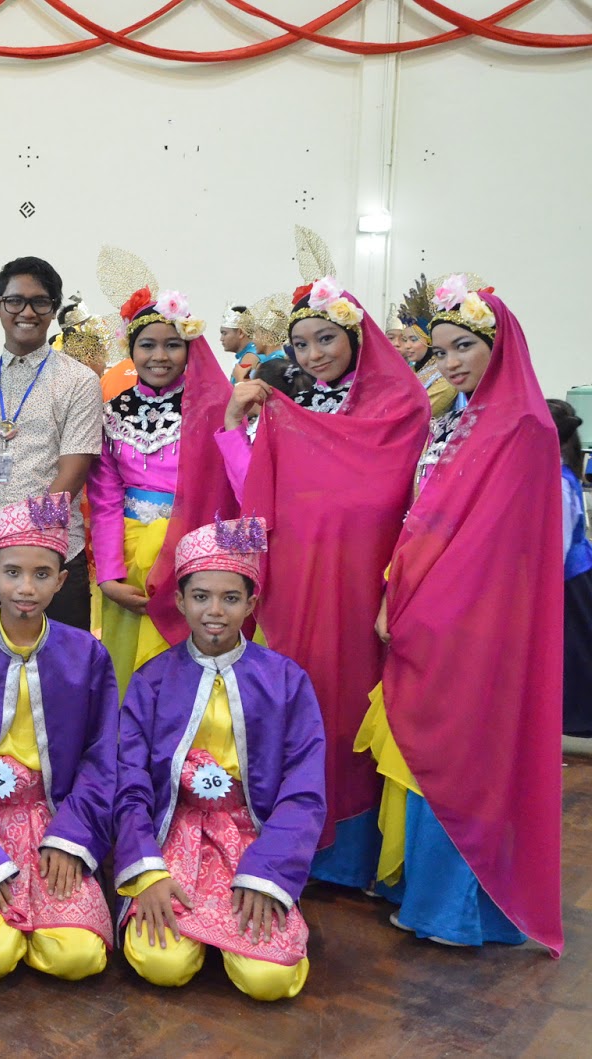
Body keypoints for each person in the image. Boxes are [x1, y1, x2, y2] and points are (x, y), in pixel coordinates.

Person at [362, 279, 563, 953]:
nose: (449, 363)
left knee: (460, 752)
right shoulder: (461, 418)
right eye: (441, 350)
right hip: (430, 602)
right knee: (431, 751)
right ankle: (426, 895)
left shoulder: (524, 427)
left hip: (473, 618)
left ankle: (454, 909)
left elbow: (492, 545)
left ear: (498, 345)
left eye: (464, 348)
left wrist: (425, 611)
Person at [208, 276, 428, 889]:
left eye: (325, 339)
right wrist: (234, 426)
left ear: (357, 337)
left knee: (354, 696)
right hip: (298, 576)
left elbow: (394, 496)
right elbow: (263, 494)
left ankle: (353, 856)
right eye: (300, 345)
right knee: (300, 693)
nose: (312, 356)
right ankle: (298, 840)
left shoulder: (402, 406)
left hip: (364, 577)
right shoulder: (298, 413)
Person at [116, 517, 325, 1001]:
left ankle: (233, 928)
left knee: (269, 980)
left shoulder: (286, 682)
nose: (215, 611)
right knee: (159, 964)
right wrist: (147, 871)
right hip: (174, 836)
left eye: (231, 598)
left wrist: (268, 873)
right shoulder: (151, 681)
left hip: (251, 838)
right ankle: (194, 932)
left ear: (251, 604)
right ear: (180, 601)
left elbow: (304, 790)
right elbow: (128, 784)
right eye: (202, 596)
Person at [0, 492, 116, 983]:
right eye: (12, 572)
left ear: (62, 579)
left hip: (57, 817)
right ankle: (9, 923)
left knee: (78, 958)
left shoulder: (87, 656)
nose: (26, 588)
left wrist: (74, 837)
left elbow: (102, 758)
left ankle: (47, 917)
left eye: (41, 574)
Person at [0, 257, 102, 631]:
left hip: (54, 556)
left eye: (41, 302)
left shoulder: (79, 382)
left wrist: (27, 541)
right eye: (15, 301)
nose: (27, 312)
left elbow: (73, 469)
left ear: (53, 311)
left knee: (61, 675)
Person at [88, 286, 206, 693]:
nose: (160, 356)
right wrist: (108, 575)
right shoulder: (112, 412)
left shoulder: (207, 407)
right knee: (129, 673)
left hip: (191, 554)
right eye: (148, 345)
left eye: (173, 344)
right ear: (130, 349)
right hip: (130, 557)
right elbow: (104, 498)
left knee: (184, 668)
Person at [549, 399, 592, 737]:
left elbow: (558, 547)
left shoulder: (560, 483)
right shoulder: (556, 477)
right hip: (566, 578)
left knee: (573, 659)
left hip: (567, 582)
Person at [394, 274, 459, 418]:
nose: (407, 346)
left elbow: (417, 415)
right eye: (405, 339)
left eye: (413, 339)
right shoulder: (407, 371)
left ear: (430, 340)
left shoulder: (444, 378)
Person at [222, 305, 259, 382]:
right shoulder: (250, 353)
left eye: (224, 333)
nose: (221, 339)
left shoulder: (250, 356)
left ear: (241, 333)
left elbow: (242, 391)